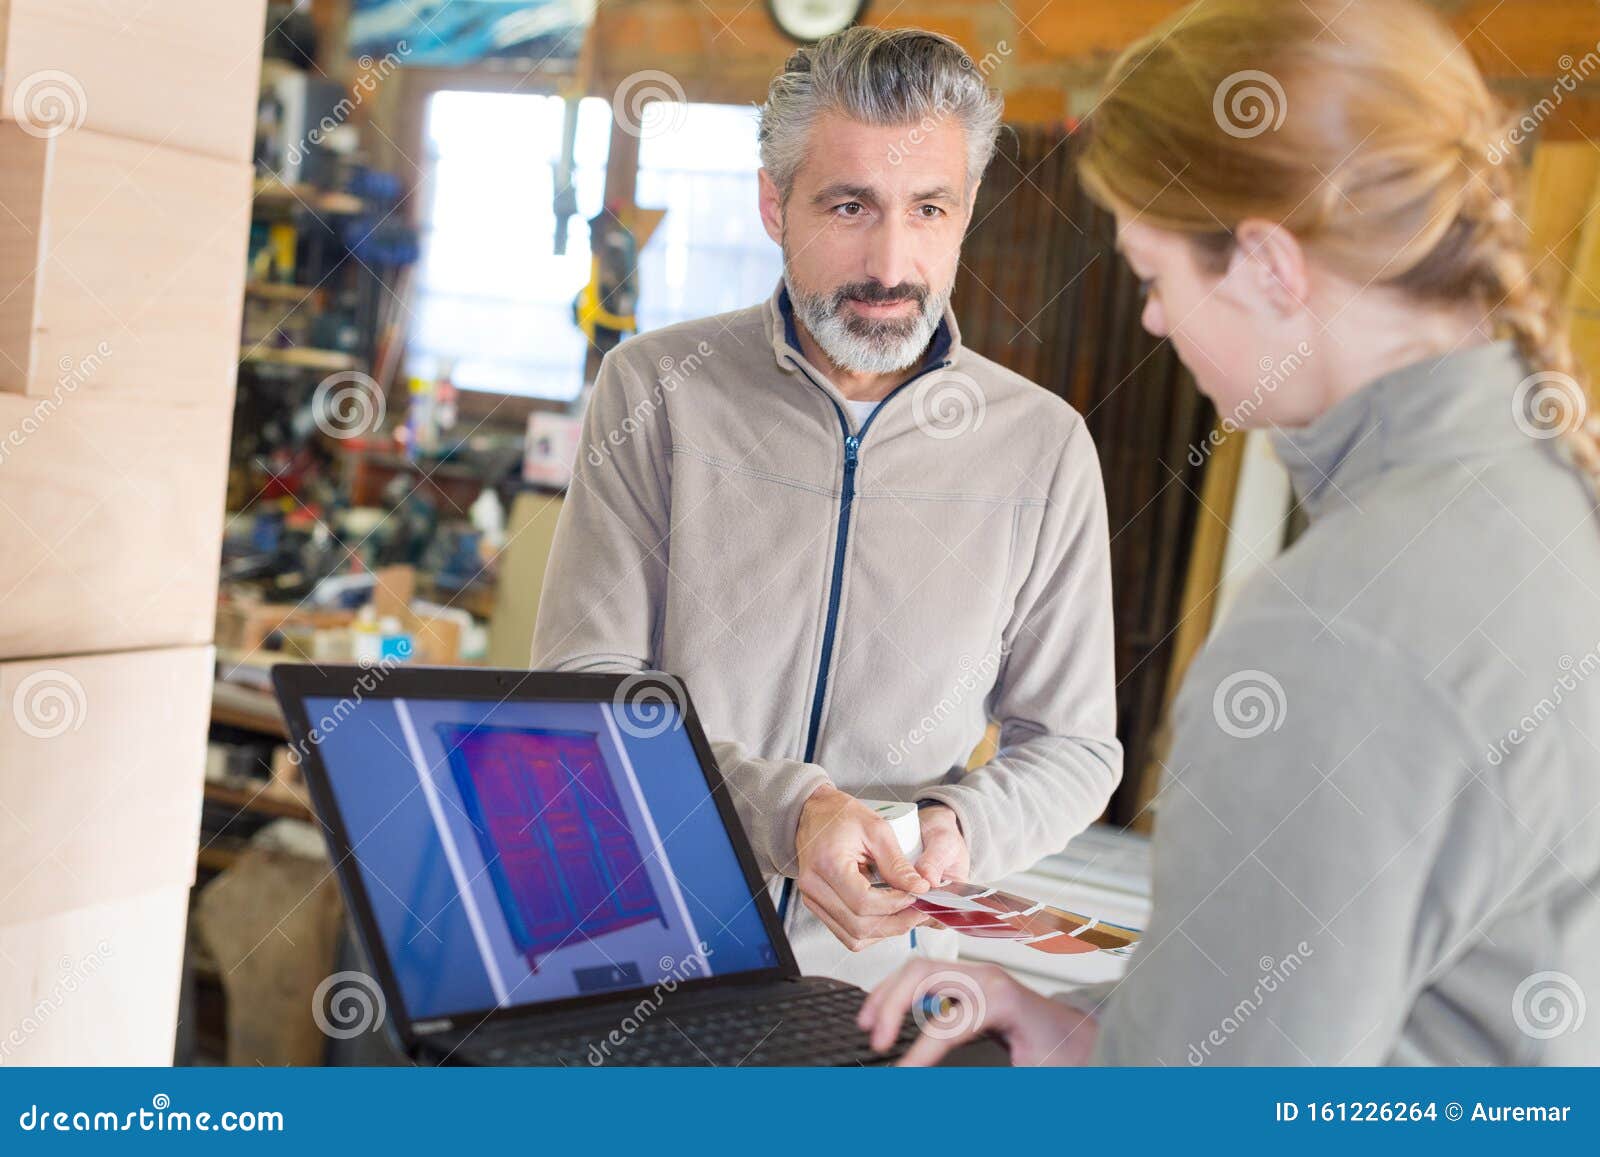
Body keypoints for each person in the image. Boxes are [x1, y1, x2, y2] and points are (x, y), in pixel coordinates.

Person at [863, 0, 1600, 1064]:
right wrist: (1096, 1032)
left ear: (1267, 264)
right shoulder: (1550, 505)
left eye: (1155, 276)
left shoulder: (1334, 632)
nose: (1152, 321)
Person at [532, 28, 1122, 988]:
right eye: (850, 206)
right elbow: (585, 690)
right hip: (635, 954)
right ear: (774, 203)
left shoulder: (1045, 447)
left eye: (928, 208)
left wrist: (955, 826)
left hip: (877, 987)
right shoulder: (654, 389)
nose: (892, 263)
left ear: (967, 210)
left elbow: (1076, 746)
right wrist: (791, 814)